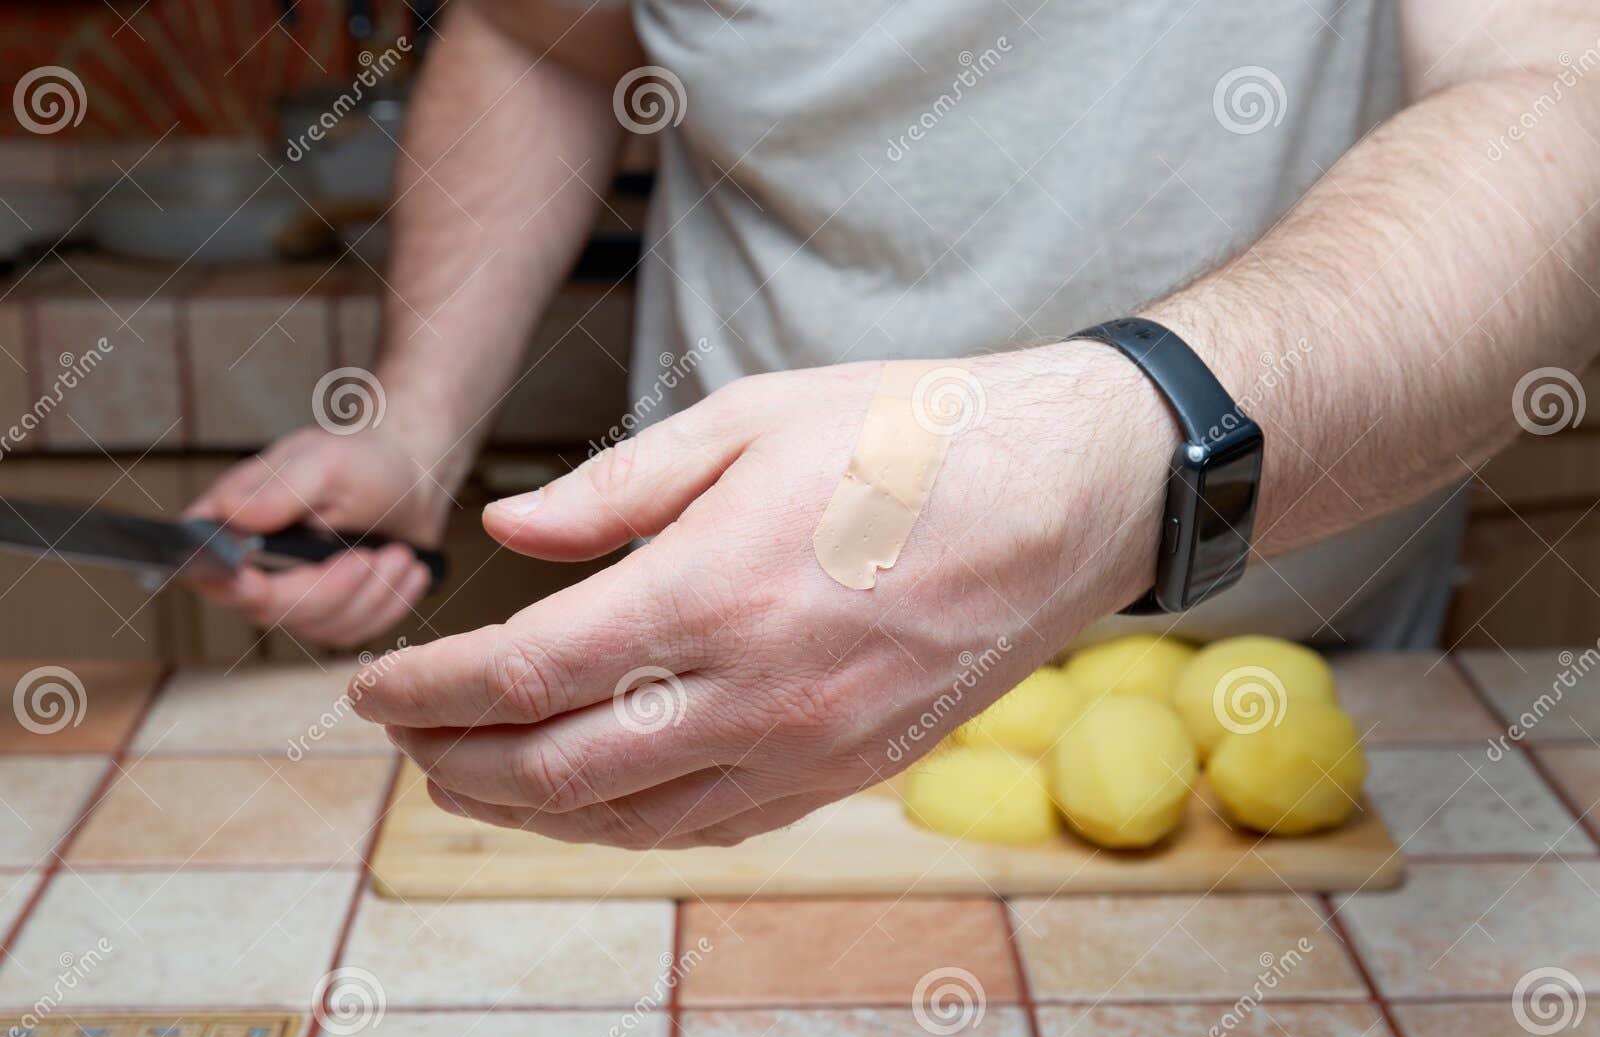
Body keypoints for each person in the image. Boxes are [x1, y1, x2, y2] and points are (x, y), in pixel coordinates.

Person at [190, 0, 1600, 848]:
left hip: (1269, 708)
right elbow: (538, 36)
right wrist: (414, 427)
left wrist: (1123, 452)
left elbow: (1557, 103)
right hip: (732, 706)